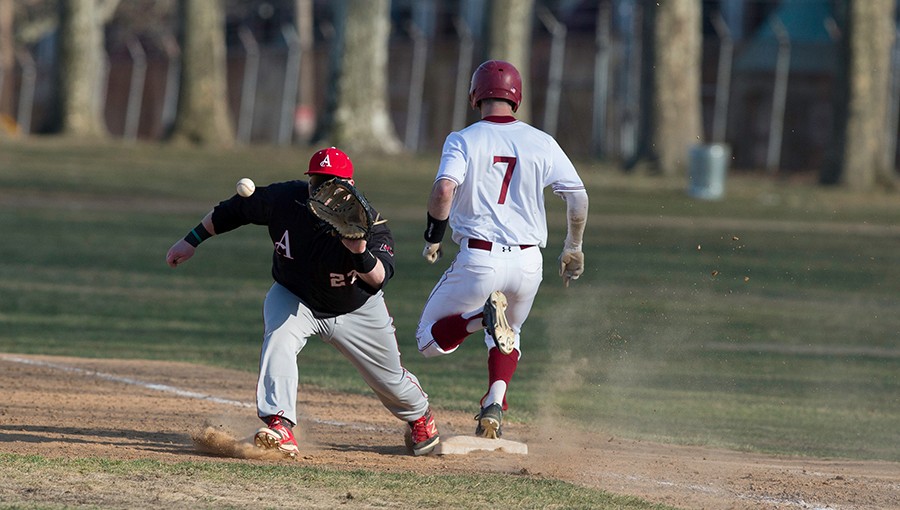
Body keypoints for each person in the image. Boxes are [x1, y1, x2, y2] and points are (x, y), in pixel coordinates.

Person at [166, 147, 440, 457]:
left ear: (349, 186)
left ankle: (420, 417)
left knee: (389, 380)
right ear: (308, 183)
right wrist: (191, 240)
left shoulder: (370, 225)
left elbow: (379, 278)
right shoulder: (286, 199)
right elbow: (234, 209)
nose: (324, 192)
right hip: (294, 296)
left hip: (356, 310)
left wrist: (359, 250)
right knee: (279, 340)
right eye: (317, 183)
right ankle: (280, 425)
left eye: (332, 184)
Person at [416, 60, 588, 439]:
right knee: (509, 333)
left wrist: (433, 236)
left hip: (481, 258)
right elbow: (577, 196)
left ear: (475, 96)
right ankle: (494, 402)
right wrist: (572, 246)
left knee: (428, 340)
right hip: (529, 262)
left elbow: (444, 190)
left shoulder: (464, 139)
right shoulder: (542, 140)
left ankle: (480, 317)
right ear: (517, 98)